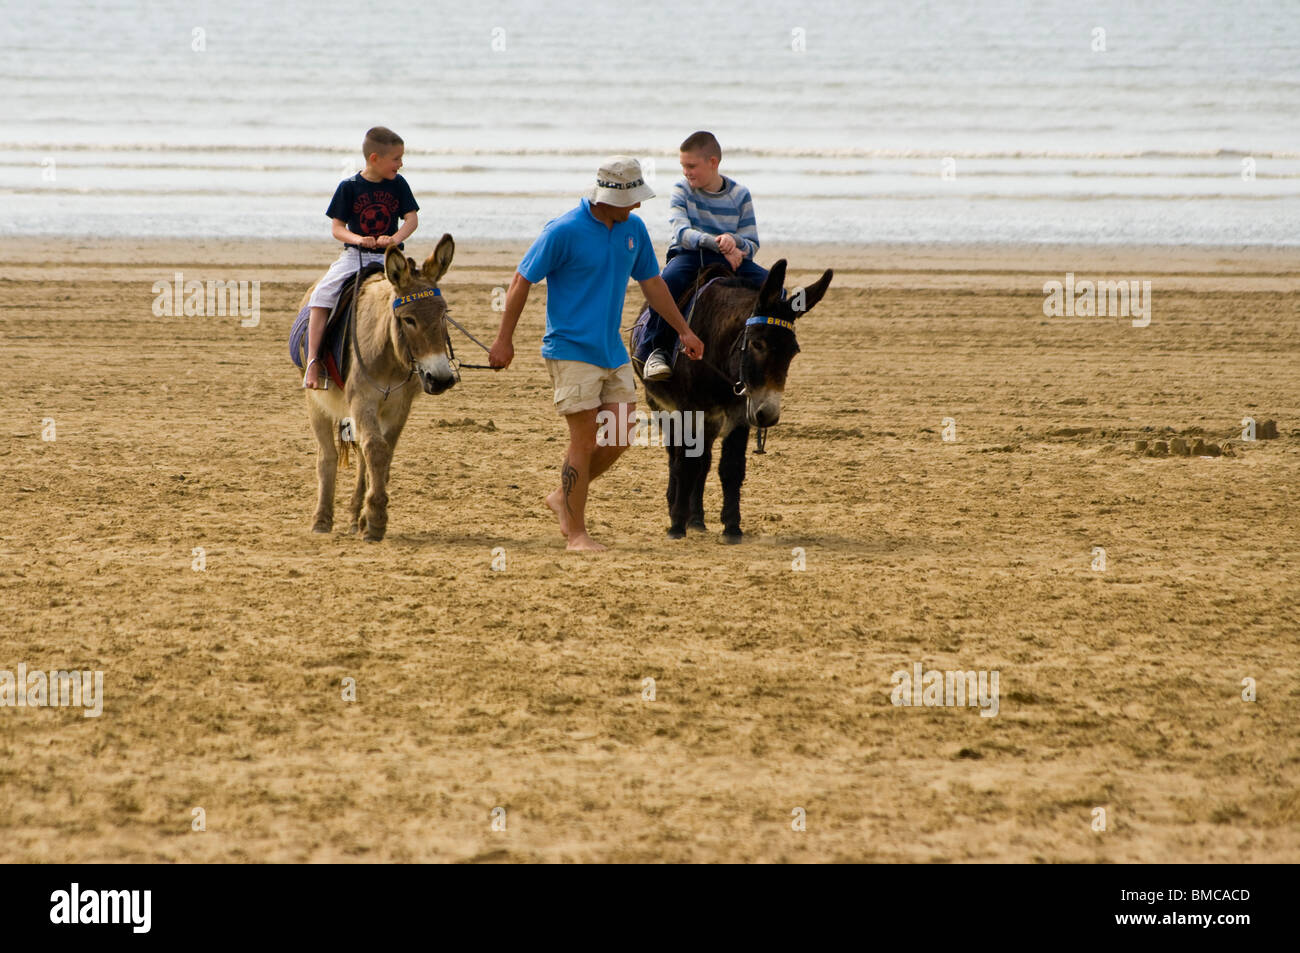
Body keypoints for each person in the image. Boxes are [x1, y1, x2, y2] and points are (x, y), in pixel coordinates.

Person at [488, 157, 705, 552]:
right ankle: (576, 534)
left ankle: (562, 497)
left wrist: (684, 330)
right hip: (570, 350)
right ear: (609, 197)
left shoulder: (633, 230)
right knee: (584, 439)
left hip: (612, 350)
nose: (638, 206)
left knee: (622, 433)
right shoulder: (564, 231)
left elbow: (653, 284)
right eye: (632, 200)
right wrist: (504, 340)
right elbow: (521, 280)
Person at [637, 130, 769, 381]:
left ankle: (763, 349)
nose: (686, 172)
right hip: (690, 256)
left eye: (691, 166)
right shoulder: (682, 190)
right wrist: (719, 244)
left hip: (732, 258)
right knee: (668, 283)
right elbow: (682, 232)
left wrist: (735, 243)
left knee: (775, 288)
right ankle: (654, 349)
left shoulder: (740, 195)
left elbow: (751, 243)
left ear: (713, 162)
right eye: (683, 166)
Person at [302, 126, 419, 389]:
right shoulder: (349, 187)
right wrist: (358, 239)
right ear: (375, 158)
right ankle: (313, 361)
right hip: (355, 257)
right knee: (322, 295)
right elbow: (337, 229)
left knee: (422, 297)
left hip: (390, 259)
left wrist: (395, 239)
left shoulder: (398, 184)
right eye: (396, 159)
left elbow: (411, 219)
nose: (401, 164)